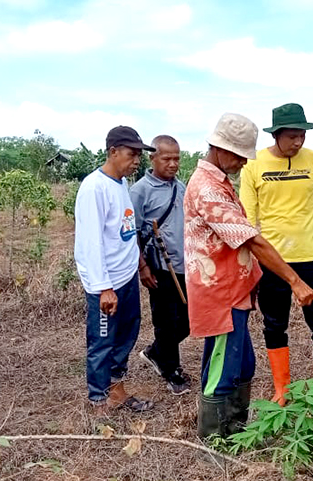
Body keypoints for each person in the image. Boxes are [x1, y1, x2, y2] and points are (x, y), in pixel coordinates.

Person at [185, 113, 313, 437]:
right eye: (238, 157)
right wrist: (295, 281)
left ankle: (235, 431)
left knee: (242, 364)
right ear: (220, 149)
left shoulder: (219, 182)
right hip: (219, 295)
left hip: (233, 292)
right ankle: (216, 442)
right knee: (222, 369)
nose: (242, 164)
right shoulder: (208, 190)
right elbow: (254, 240)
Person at [239, 103, 313, 405]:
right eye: (292, 136)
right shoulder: (254, 166)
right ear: (277, 134)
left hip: (311, 256)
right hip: (272, 260)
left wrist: (305, 234)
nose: (298, 142)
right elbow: (247, 216)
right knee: (275, 323)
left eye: (302, 136)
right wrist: (270, 246)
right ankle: (282, 388)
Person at [74, 125, 155, 413]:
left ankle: (117, 392)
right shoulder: (94, 188)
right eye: (132, 154)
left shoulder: (120, 184)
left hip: (126, 277)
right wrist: (104, 287)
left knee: (125, 338)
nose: (137, 161)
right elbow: (91, 242)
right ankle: (98, 401)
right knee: (102, 342)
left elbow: (126, 231)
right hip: (105, 284)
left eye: (139, 155)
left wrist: (140, 265)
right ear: (113, 151)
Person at [129, 135, 191, 395]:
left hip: (185, 265)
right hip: (159, 266)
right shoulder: (139, 191)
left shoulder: (182, 186)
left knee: (188, 321)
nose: (173, 164)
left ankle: (156, 351)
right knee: (166, 321)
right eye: (167, 158)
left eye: (177, 158)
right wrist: (142, 267)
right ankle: (171, 371)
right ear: (152, 158)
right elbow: (131, 233)